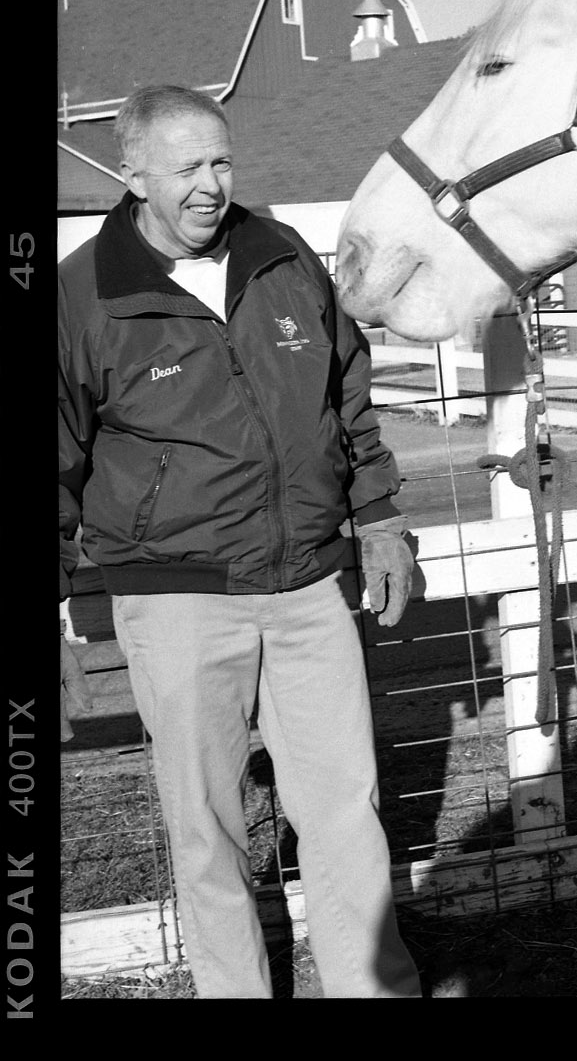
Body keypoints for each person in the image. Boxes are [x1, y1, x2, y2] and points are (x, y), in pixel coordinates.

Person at [58, 85, 422, 999]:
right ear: (133, 172)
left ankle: (370, 987)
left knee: (345, 813)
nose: (212, 184)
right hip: (178, 596)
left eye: (221, 160)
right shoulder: (82, 296)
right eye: (188, 167)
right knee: (208, 825)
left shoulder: (283, 258)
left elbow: (349, 402)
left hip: (307, 584)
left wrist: (377, 518)